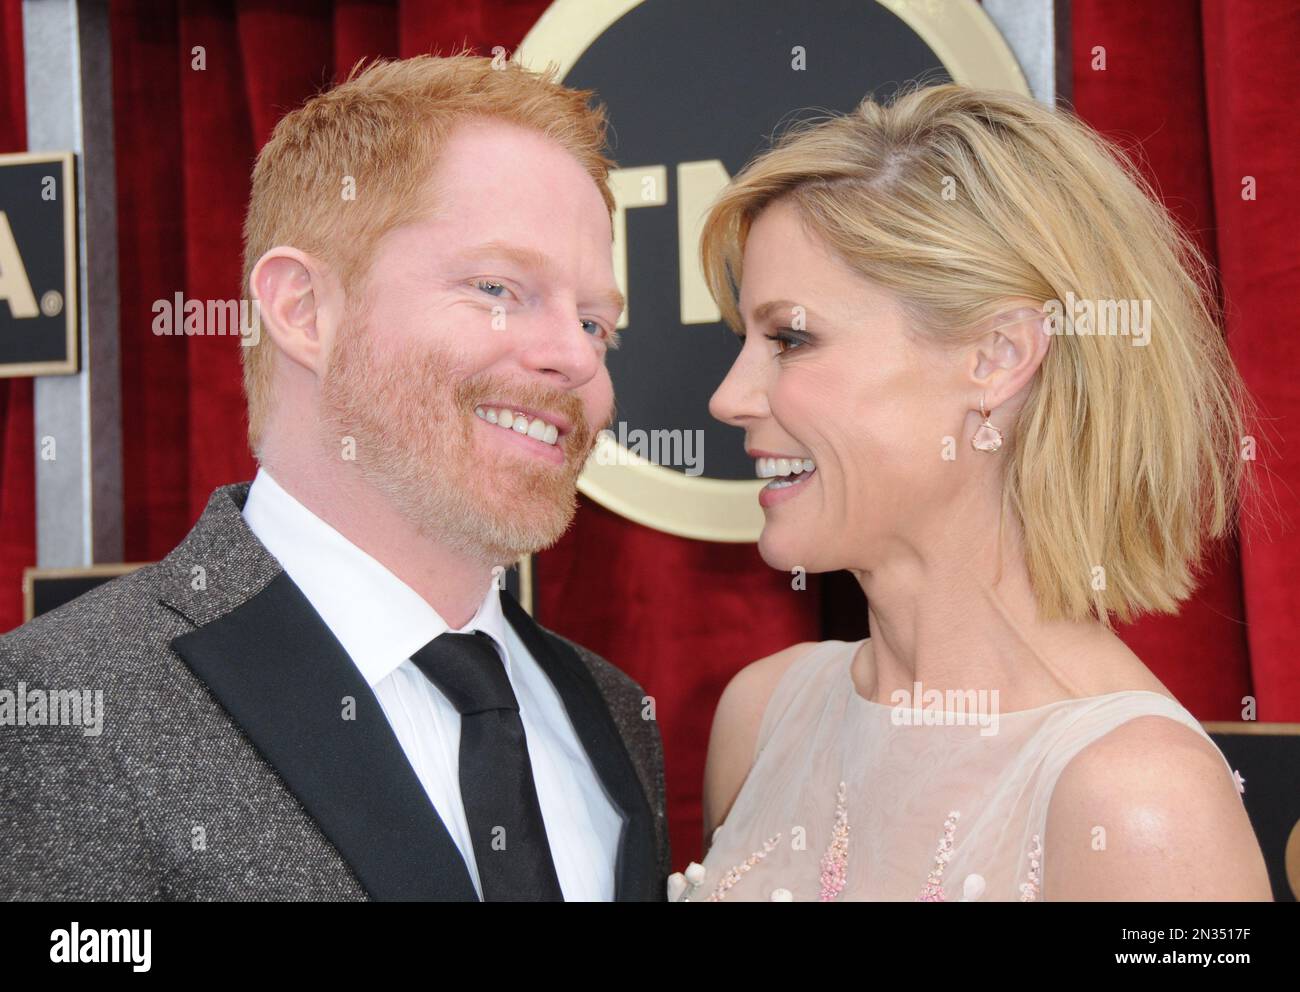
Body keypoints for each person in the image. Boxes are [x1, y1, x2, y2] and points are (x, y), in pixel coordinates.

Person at [0, 54, 668, 901]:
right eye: (498, 287)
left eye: (594, 322)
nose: (575, 358)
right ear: (303, 310)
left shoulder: (613, 714)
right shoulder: (60, 706)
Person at [674, 83, 1271, 902]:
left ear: (996, 358)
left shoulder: (1142, 807)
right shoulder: (765, 715)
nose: (728, 397)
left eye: (791, 338)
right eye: (748, 339)